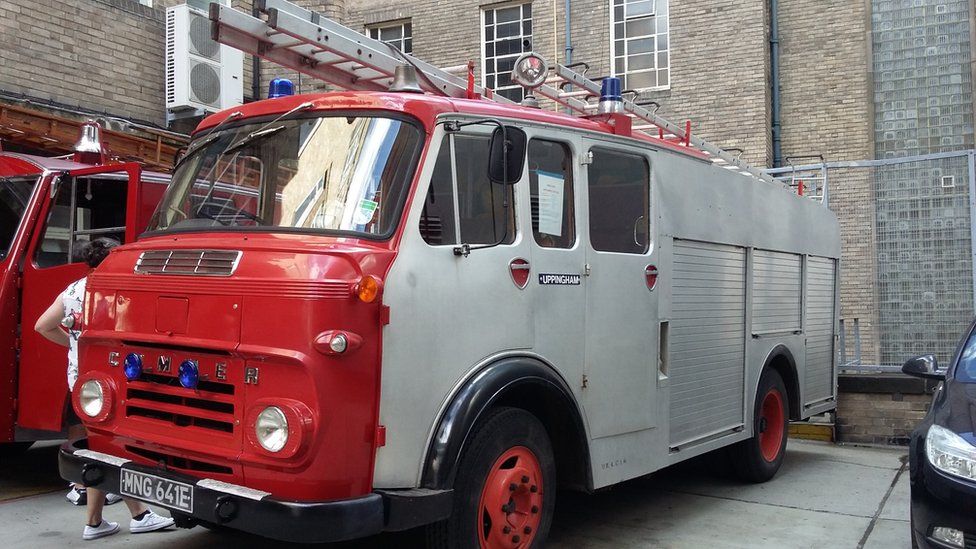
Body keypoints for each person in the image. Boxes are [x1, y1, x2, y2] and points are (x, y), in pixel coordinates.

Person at [34, 238, 175, 540]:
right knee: (113, 447)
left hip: (82, 383)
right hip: (115, 382)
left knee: (101, 446)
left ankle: (97, 522)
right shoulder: (120, 291)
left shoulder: (73, 290)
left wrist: (74, 346)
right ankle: (135, 516)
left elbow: (42, 325)